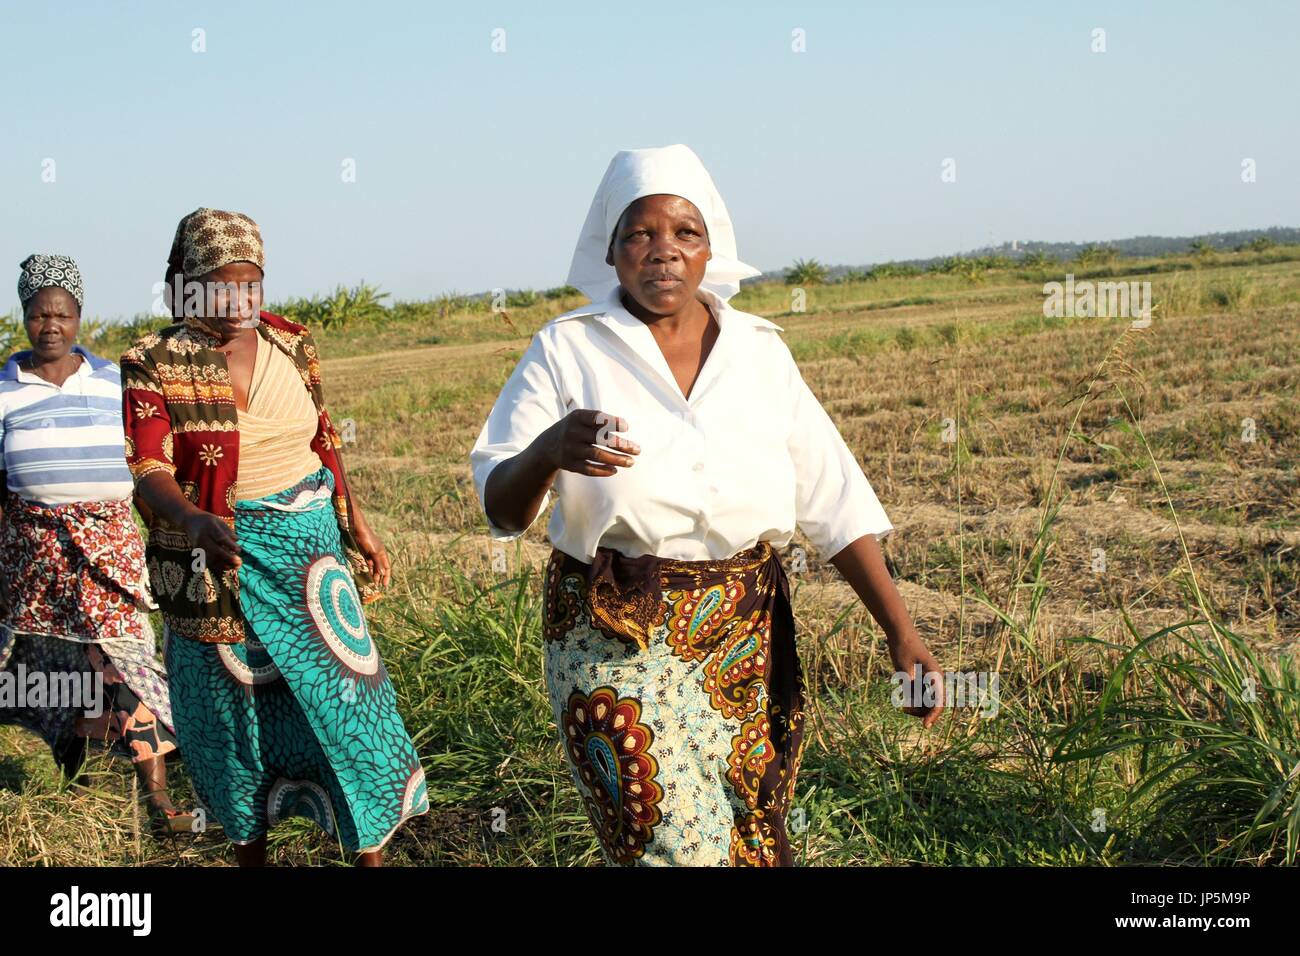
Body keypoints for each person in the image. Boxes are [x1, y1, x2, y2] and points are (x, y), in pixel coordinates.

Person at [471, 144, 945, 866]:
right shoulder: (567, 349)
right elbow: (501, 509)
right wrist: (546, 452)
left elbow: (832, 498)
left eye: (683, 233)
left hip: (742, 633)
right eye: (641, 233)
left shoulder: (759, 353)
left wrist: (900, 632)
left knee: (750, 842)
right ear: (612, 250)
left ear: (710, 247)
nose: (663, 251)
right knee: (677, 850)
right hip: (611, 630)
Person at [121, 208, 427, 866]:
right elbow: (147, 467)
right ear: (190, 285)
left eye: (250, 285)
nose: (238, 302)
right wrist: (192, 519)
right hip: (215, 567)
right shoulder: (155, 361)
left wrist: (358, 524)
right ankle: (250, 854)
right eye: (221, 286)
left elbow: (324, 440)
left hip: (311, 559)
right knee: (234, 726)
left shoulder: (293, 343)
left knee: (350, 710)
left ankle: (367, 851)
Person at [0, 254, 191, 834]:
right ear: (24, 317)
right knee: (48, 668)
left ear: (79, 316)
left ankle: (157, 803)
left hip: (109, 551)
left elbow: (150, 464)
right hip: (30, 556)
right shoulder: (3, 388)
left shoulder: (115, 382)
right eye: (38, 314)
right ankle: (72, 775)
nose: (50, 325)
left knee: (127, 661)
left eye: (61, 313)